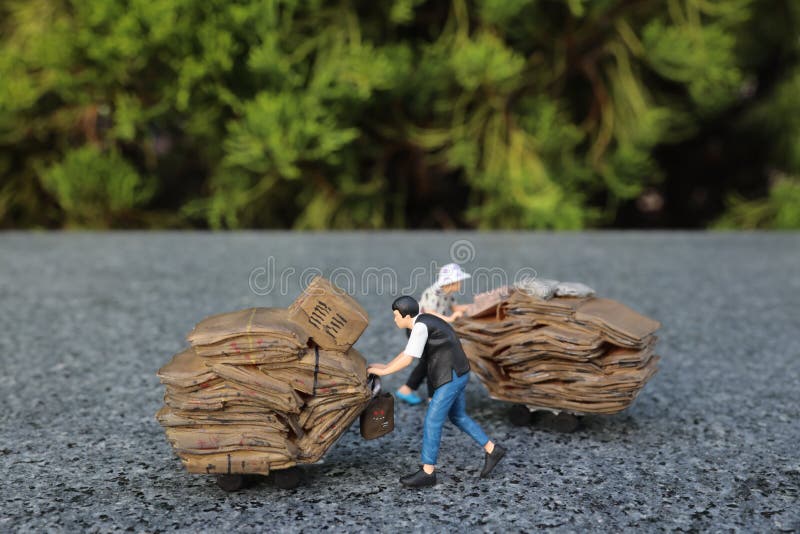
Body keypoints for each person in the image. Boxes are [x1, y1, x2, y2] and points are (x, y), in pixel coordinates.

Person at [367, 296, 506, 488]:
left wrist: (383, 371)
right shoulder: (424, 321)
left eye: (396, 315)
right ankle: (493, 449)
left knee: (433, 421)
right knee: (458, 416)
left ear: (406, 315)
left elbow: (408, 359)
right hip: (458, 372)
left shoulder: (421, 327)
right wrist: (386, 365)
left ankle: (428, 472)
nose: (394, 319)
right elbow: (408, 352)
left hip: (450, 376)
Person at [396, 263, 471, 405]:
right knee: (433, 362)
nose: (460, 284)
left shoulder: (448, 293)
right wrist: (450, 318)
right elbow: (429, 313)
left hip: (429, 330)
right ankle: (432, 397)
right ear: (451, 282)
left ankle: (407, 389)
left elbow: (455, 307)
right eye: (459, 281)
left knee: (428, 362)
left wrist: (473, 307)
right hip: (418, 330)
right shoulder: (434, 293)